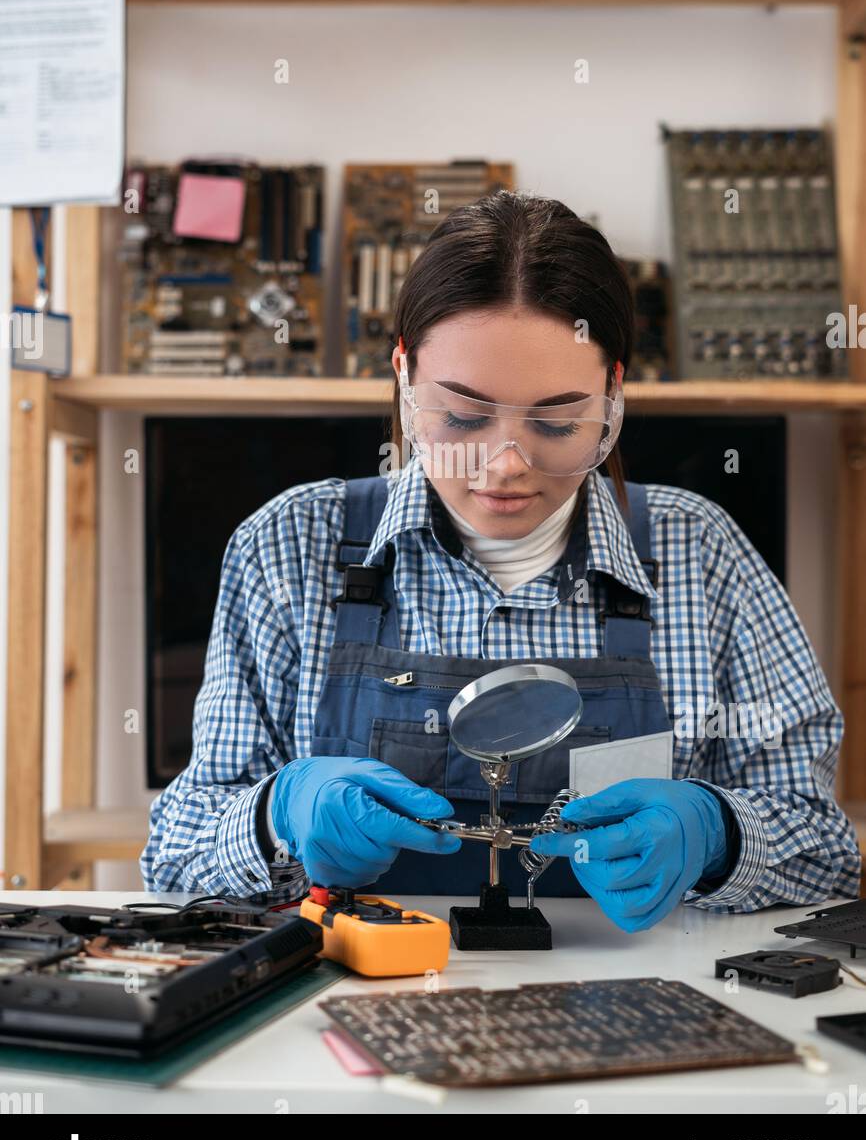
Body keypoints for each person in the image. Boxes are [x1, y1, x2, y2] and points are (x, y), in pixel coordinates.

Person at [141, 192, 861, 931]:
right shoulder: (289, 547)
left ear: (614, 394)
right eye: (461, 416)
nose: (506, 465)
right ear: (403, 374)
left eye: (556, 421)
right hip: (357, 1006)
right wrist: (278, 814)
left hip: (634, 1012)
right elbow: (173, 854)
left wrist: (716, 834)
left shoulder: (699, 553)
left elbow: (828, 852)